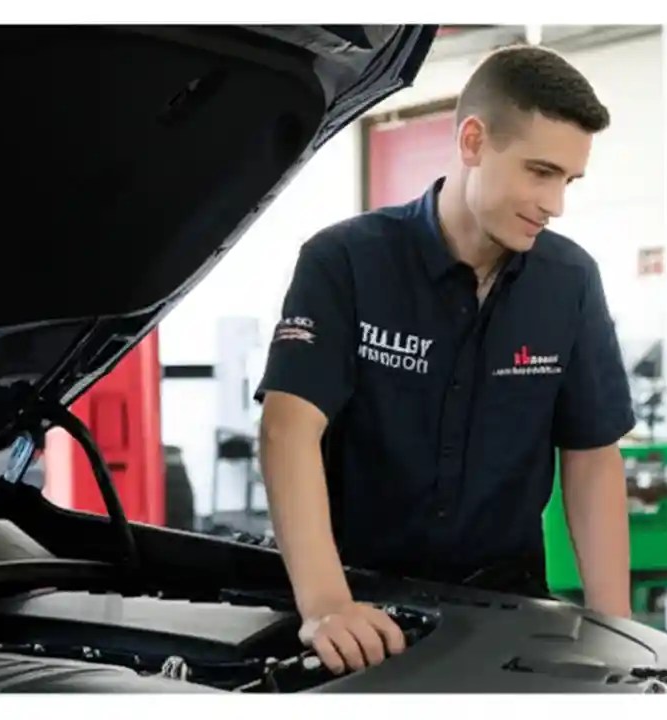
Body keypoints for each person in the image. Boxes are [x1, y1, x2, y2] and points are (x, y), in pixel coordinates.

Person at [255, 45, 636, 676]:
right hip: (360, 607)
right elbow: (289, 426)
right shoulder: (345, 261)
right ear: (472, 140)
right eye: (539, 172)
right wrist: (325, 602)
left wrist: (615, 627)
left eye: (568, 181)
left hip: (507, 609)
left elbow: (593, 455)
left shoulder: (570, 281)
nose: (555, 203)